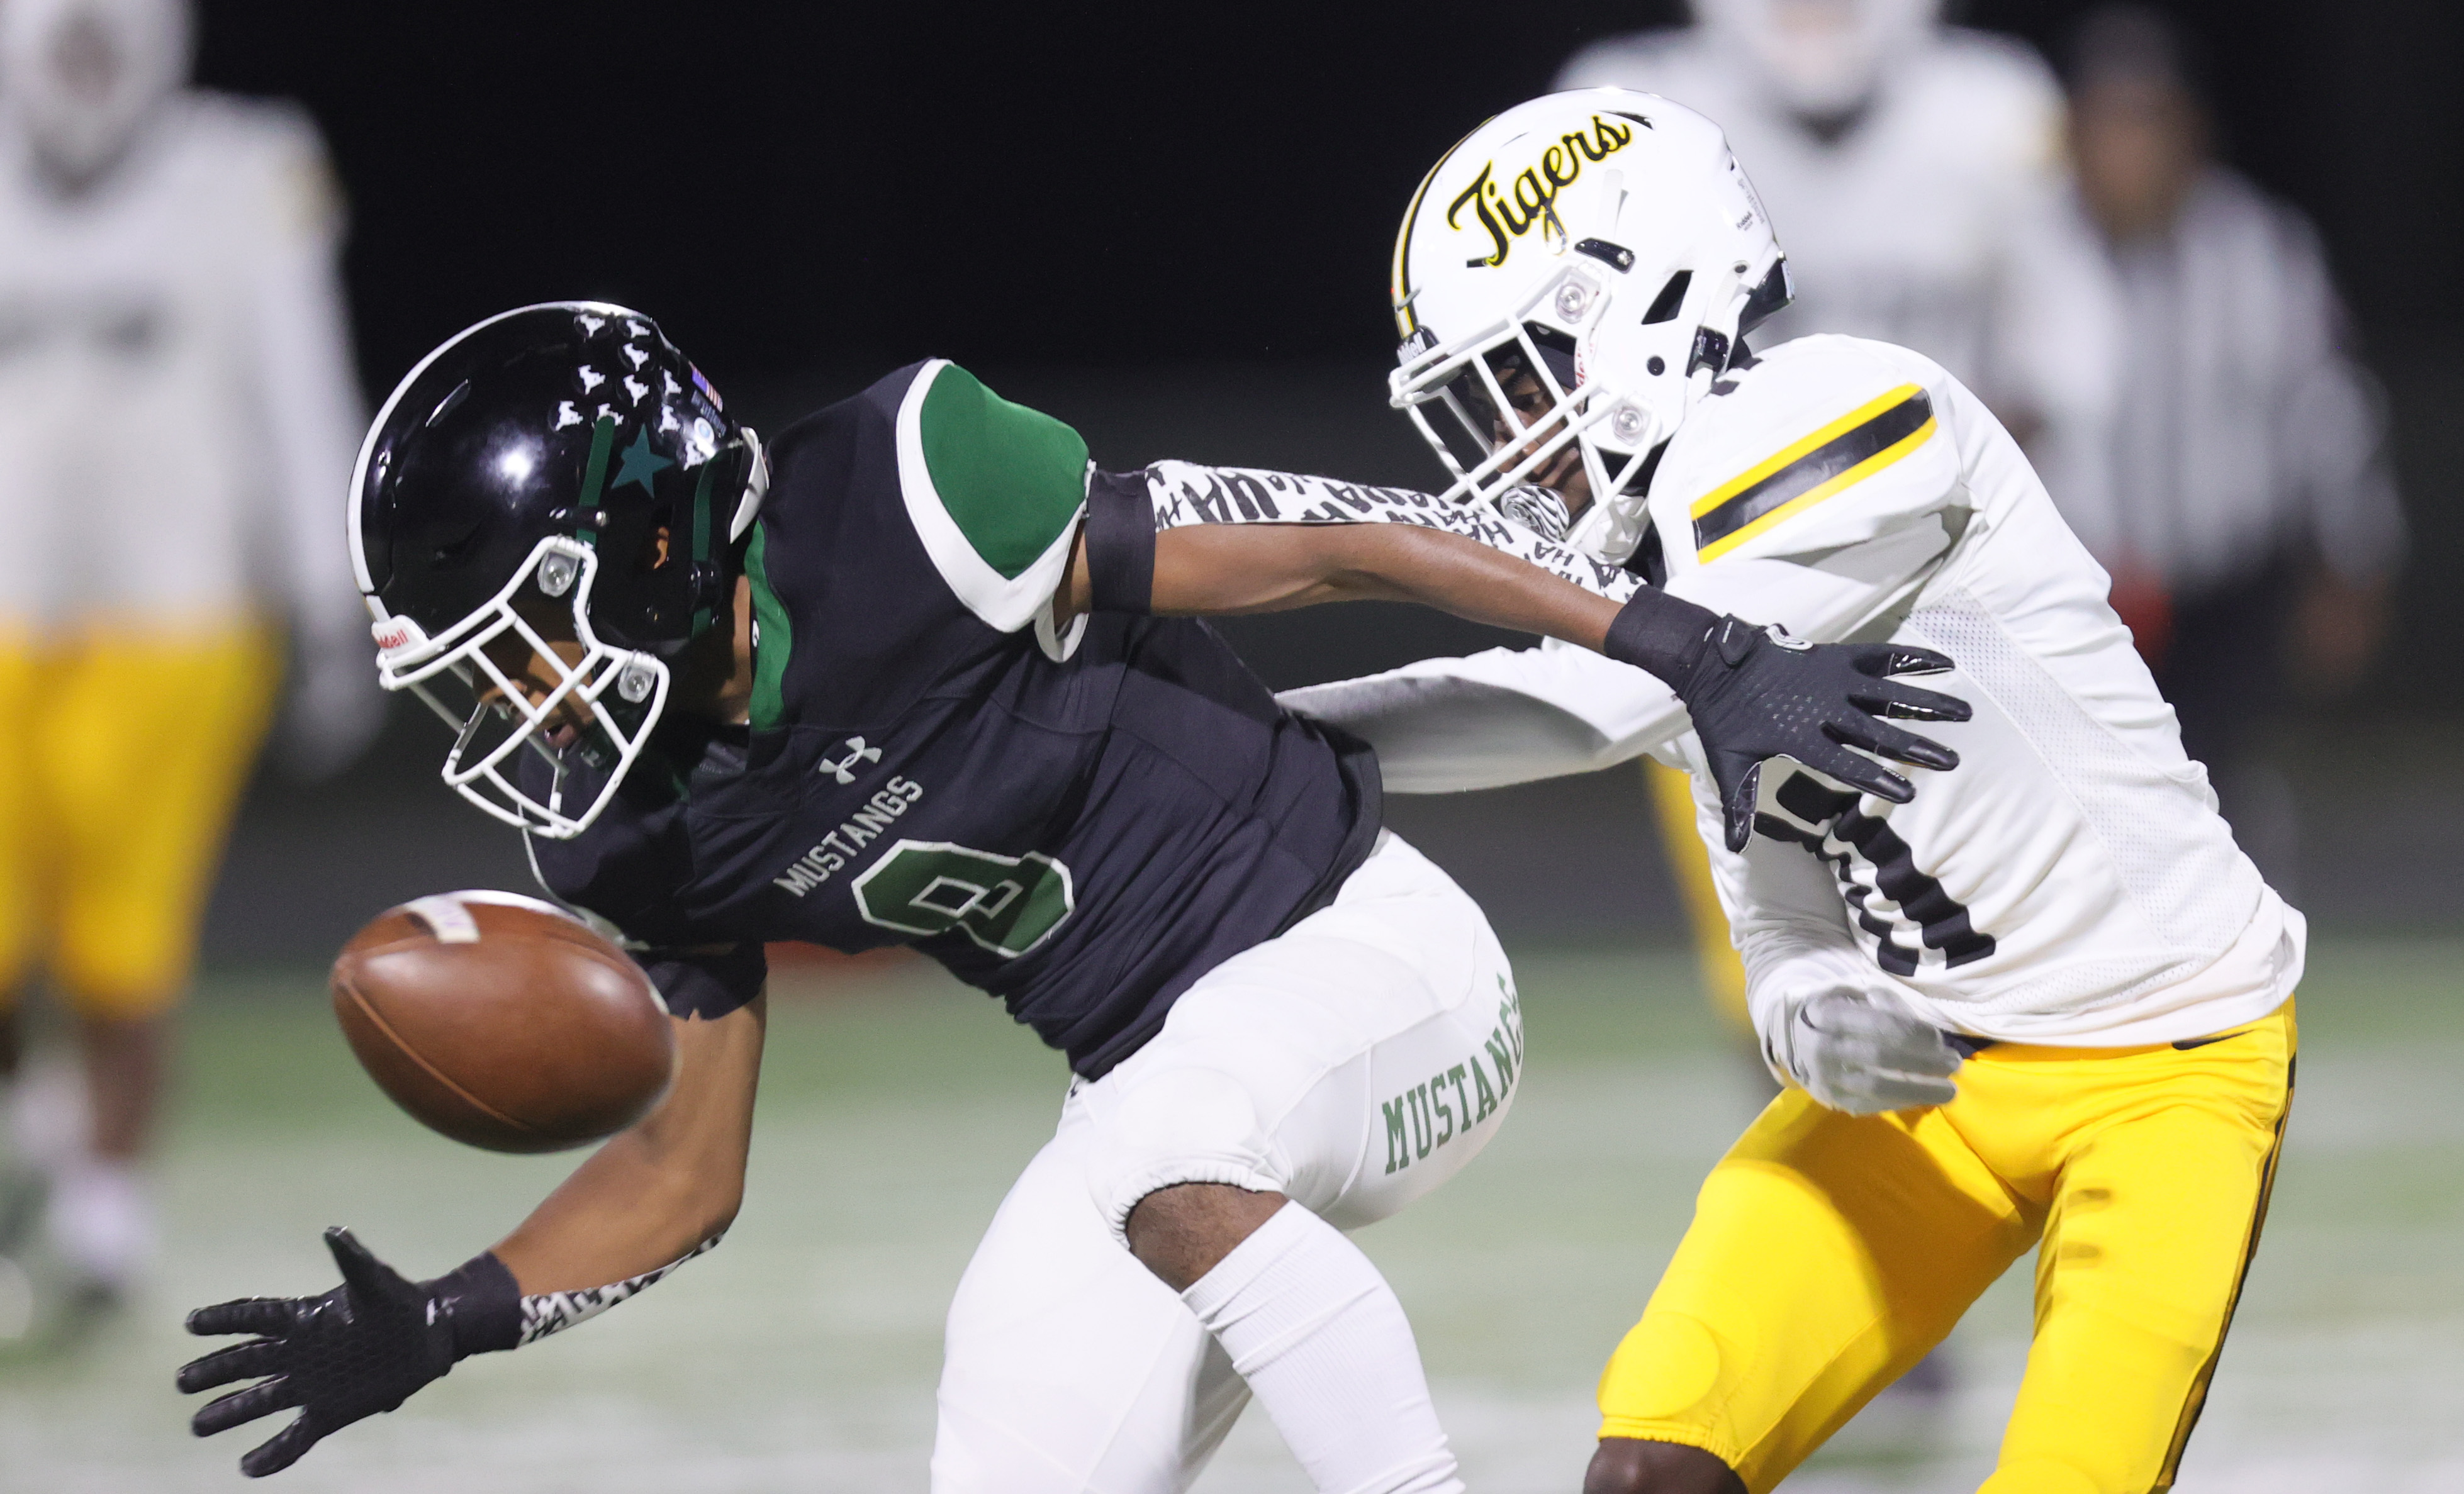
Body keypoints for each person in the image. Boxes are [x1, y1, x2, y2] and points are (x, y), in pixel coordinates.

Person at [172, 303, 1966, 1489]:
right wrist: (446, 1317)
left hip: (1373, 960)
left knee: (1154, 1156)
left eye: (522, 643)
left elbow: (1334, 539)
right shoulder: (635, 825)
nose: (512, 707)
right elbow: (679, 1170)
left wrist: (1685, 646)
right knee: (1017, 1440)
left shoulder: (909, 494)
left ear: (646, 547)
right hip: (1148, 1095)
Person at [1284, 89, 2302, 1493]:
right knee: (1654, 1463)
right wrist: (1803, 1001)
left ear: (1638, 305)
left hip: (2164, 1065)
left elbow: (1614, 700)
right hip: (1935, 1083)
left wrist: (1253, 736)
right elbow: (1765, 873)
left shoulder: (1850, 407)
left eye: (1524, 379)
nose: (1509, 439)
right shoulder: (1651, 561)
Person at [1556, 0, 2121, 1070]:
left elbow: (2068, 356)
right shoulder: (1627, 103)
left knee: (2001, 936)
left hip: (1950, 599)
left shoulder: (1990, 111)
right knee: (1785, 965)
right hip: (1713, 604)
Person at [0, 0, 376, 1325]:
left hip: (182, 606)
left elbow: (297, 378)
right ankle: (40, 1146)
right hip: (5, 612)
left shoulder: (240, 169)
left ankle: (105, 1214)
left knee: (123, 926)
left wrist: (332, 599)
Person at [2056, 4, 2404, 888]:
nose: (2127, 148)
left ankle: (2237, 968)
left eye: (2148, 121)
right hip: (2066, 593)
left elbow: (2329, 417)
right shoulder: (2025, 248)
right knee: (2072, 805)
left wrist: (2352, 563)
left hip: (2219, 589)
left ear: (2190, 133)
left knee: (2210, 792)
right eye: (2109, 122)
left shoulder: (2260, 252)